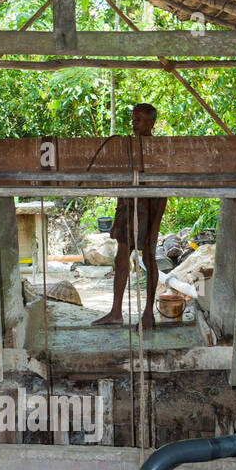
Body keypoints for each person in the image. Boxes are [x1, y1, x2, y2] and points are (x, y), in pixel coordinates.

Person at [91, 103, 166, 330]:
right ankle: (115, 312)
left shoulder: (159, 150)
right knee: (121, 259)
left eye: (139, 120)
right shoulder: (127, 147)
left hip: (148, 209)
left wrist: (154, 226)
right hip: (128, 208)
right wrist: (117, 217)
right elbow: (123, 184)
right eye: (133, 120)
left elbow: (163, 193)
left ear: (151, 123)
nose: (134, 124)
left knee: (149, 256)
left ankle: (148, 313)